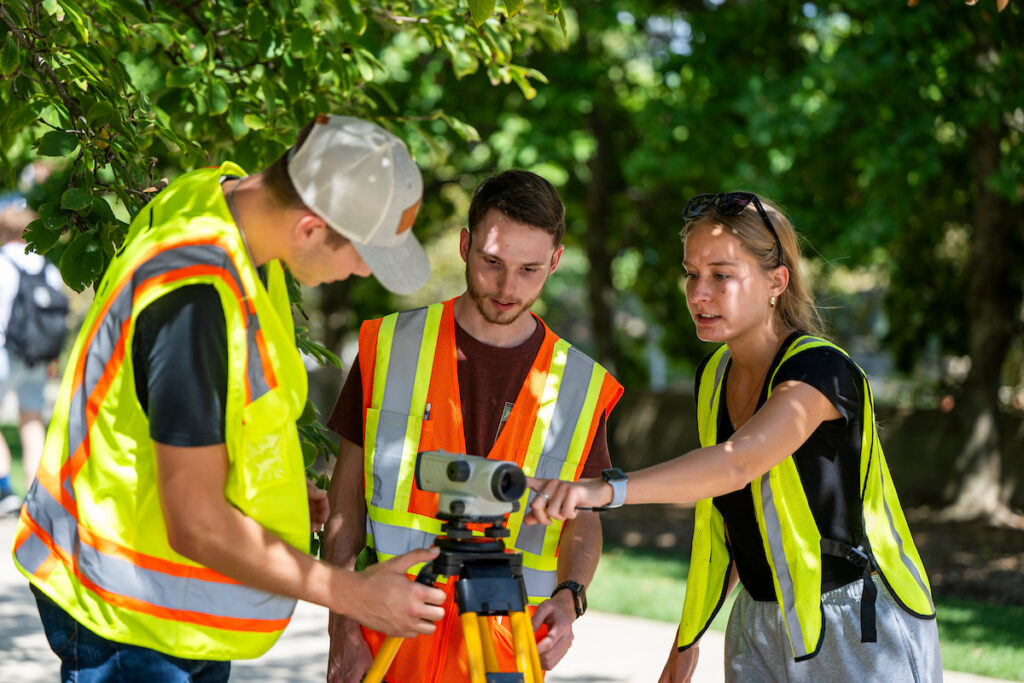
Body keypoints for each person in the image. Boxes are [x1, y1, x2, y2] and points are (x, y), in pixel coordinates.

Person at [11, 115, 449, 682]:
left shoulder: (220, 205)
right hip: (127, 617)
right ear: (312, 228)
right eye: (363, 254)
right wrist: (353, 596)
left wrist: (284, 495)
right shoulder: (193, 302)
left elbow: (225, 409)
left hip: (167, 611)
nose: (362, 270)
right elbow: (195, 522)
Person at [525, 192, 941, 682]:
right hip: (759, 622)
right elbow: (721, 523)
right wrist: (687, 643)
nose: (699, 293)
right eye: (691, 274)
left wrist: (603, 489)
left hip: (855, 624)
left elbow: (737, 463)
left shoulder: (820, 372)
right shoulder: (714, 376)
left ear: (775, 282)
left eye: (721, 275)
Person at [323, 169, 624, 683]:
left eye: (530, 269)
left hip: (504, 651)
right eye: (492, 262)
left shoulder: (579, 384)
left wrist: (571, 597)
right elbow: (344, 499)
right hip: (387, 636)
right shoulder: (389, 347)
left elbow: (584, 513)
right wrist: (342, 628)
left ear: (556, 261)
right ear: (465, 245)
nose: (508, 288)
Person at [0, 197, 63, 515]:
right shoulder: (45, 267)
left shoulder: (3, 263)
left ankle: (3, 489)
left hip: (5, 352)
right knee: (31, 420)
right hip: (38, 357)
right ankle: (38, 495)